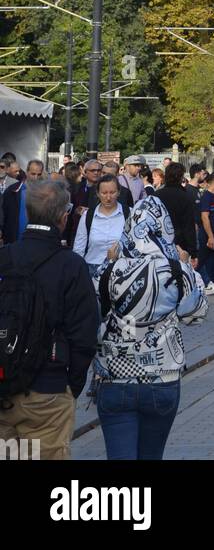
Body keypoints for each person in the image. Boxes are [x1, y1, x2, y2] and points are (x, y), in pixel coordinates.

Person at [93, 195, 207, 460]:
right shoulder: (176, 269)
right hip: (161, 379)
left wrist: (109, 262)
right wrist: (189, 268)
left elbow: (93, 311)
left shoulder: (108, 271)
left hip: (114, 378)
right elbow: (196, 313)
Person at [0, 179, 99, 459]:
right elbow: (85, 333)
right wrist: (70, 385)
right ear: (63, 216)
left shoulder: (5, 257)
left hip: (4, 385)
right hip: (48, 389)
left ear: (28, 213)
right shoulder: (71, 265)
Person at [73, 174, 130, 279]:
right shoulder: (88, 216)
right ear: (98, 194)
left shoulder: (129, 214)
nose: (108, 197)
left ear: (119, 192)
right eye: (104, 193)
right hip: (91, 270)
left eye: (112, 192)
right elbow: (79, 248)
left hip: (121, 270)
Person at [157, 161, 198, 261]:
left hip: (159, 242)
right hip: (180, 243)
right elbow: (189, 226)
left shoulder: (156, 195)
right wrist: (193, 252)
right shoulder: (185, 197)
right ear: (181, 178)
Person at [0, 158, 45, 246]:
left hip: (35, 242)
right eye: (33, 174)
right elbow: (3, 213)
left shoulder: (45, 193)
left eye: (39, 174)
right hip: (13, 241)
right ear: (27, 172)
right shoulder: (12, 190)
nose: (36, 177)